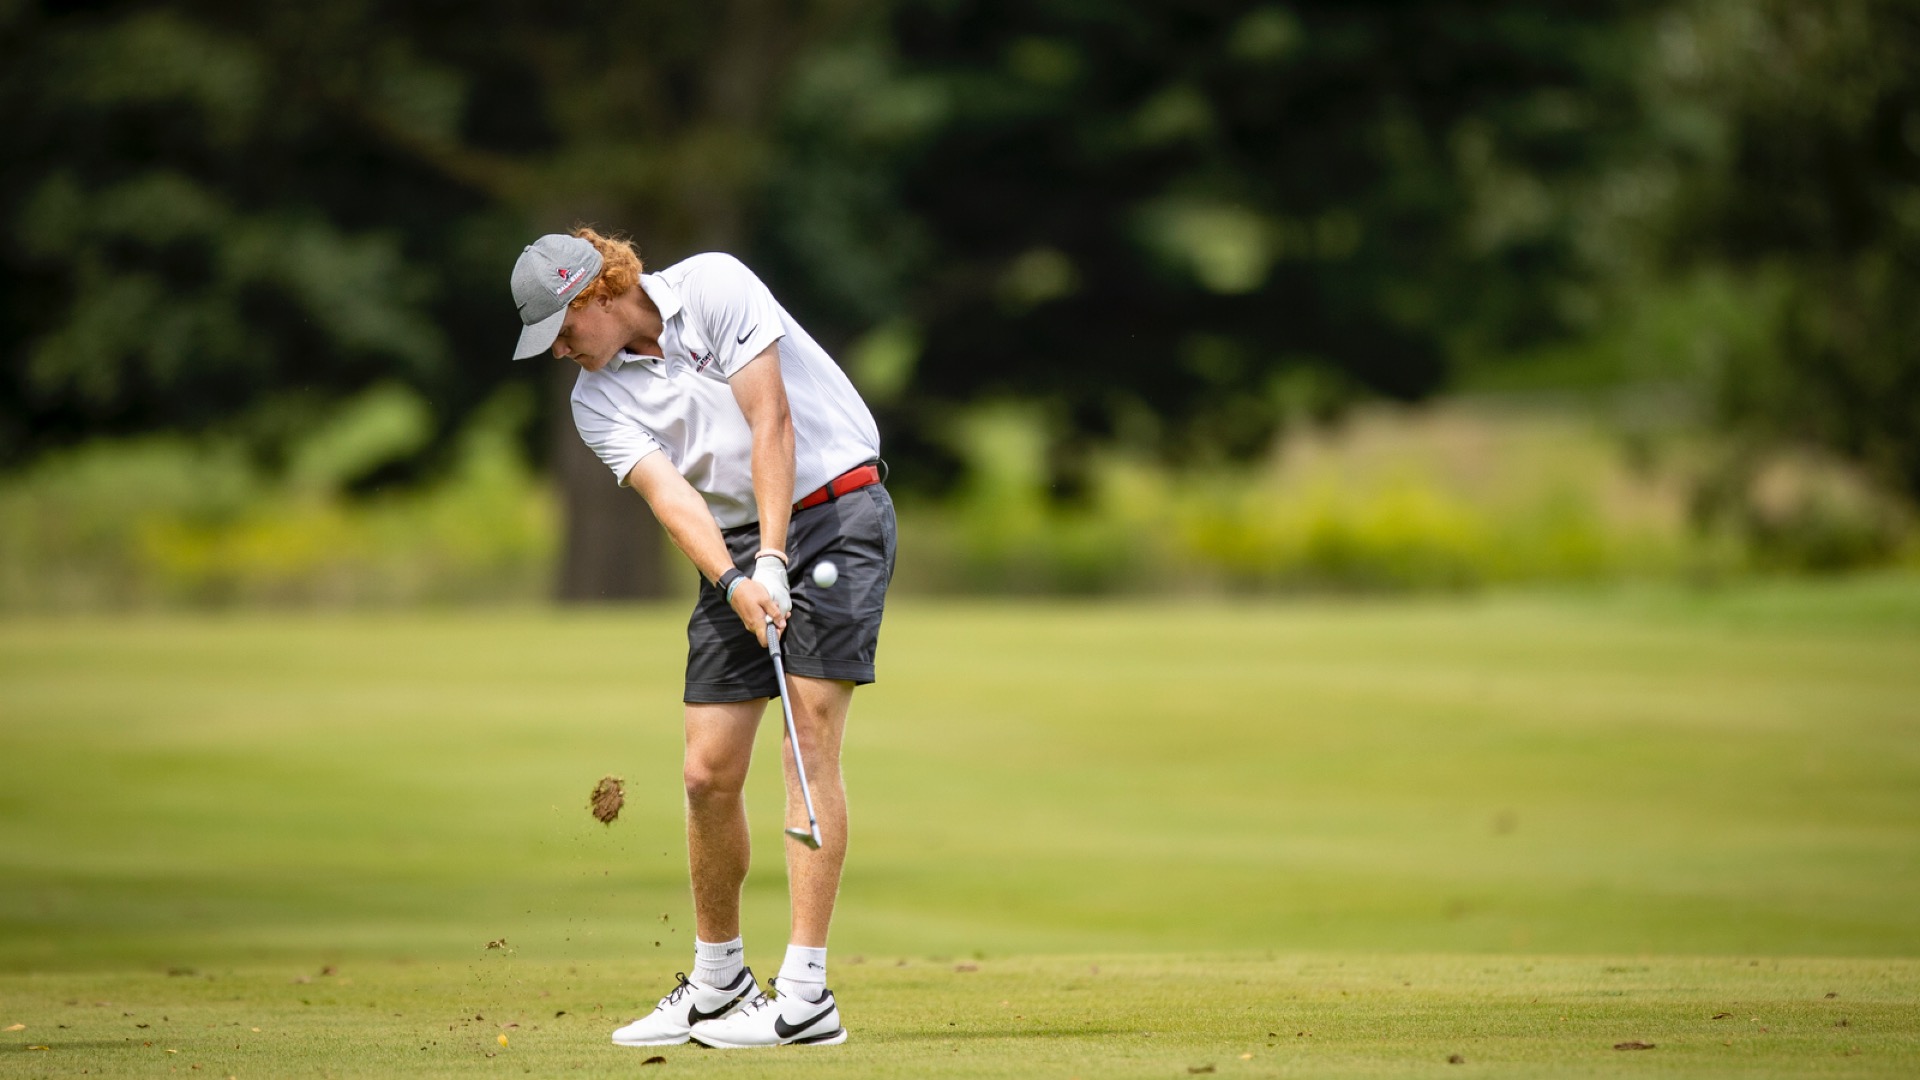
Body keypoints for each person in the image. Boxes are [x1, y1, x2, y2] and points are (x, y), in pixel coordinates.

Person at [509, 228, 895, 1049]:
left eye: (564, 329)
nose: (560, 351)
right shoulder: (594, 399)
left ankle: (804, 998)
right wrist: (737, 580)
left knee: (807, 743)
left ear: (599, 295)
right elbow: (672, 500)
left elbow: (772, 423)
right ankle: (719, 983)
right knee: (705, 772)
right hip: (731, 551)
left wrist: (777, 560)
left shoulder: (715, 286)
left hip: (834, 514)